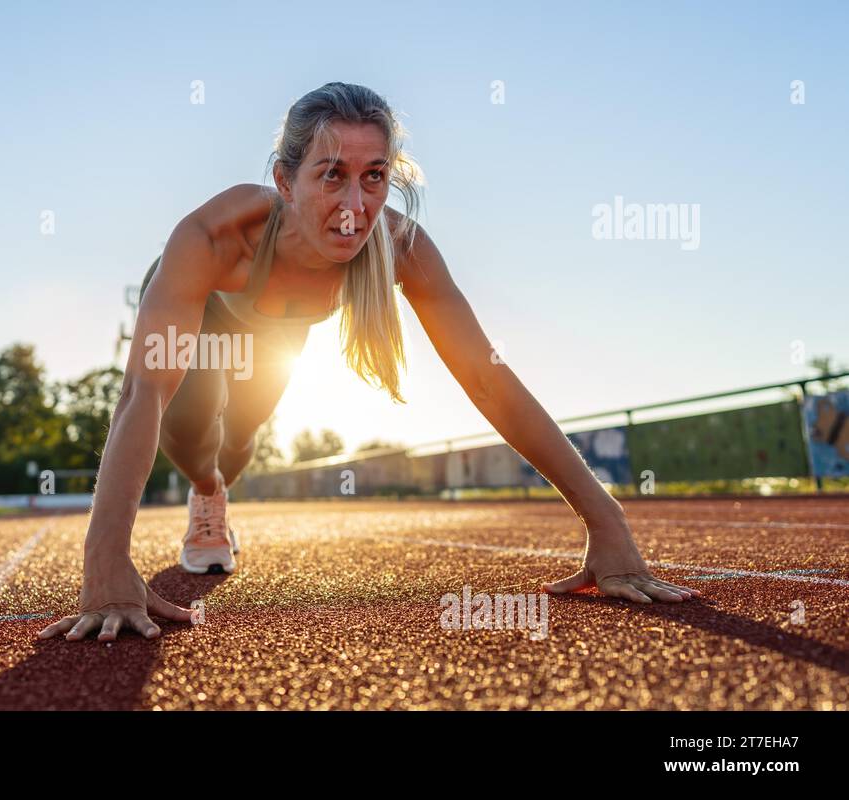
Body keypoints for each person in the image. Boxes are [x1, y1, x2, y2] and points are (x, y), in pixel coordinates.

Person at [39, 82, 700, 644]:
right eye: (331, 175)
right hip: (207, 317)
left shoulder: (401, 246)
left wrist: (605, 521)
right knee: (190, 442)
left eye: (374, 176)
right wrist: (105, 560)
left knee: (236, 446)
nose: (355, 208)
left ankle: (217, 488)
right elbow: (140, 394)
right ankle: (203, 485)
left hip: (276, 340)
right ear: (283, 180)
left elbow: (487, 379)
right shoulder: (214, 237)